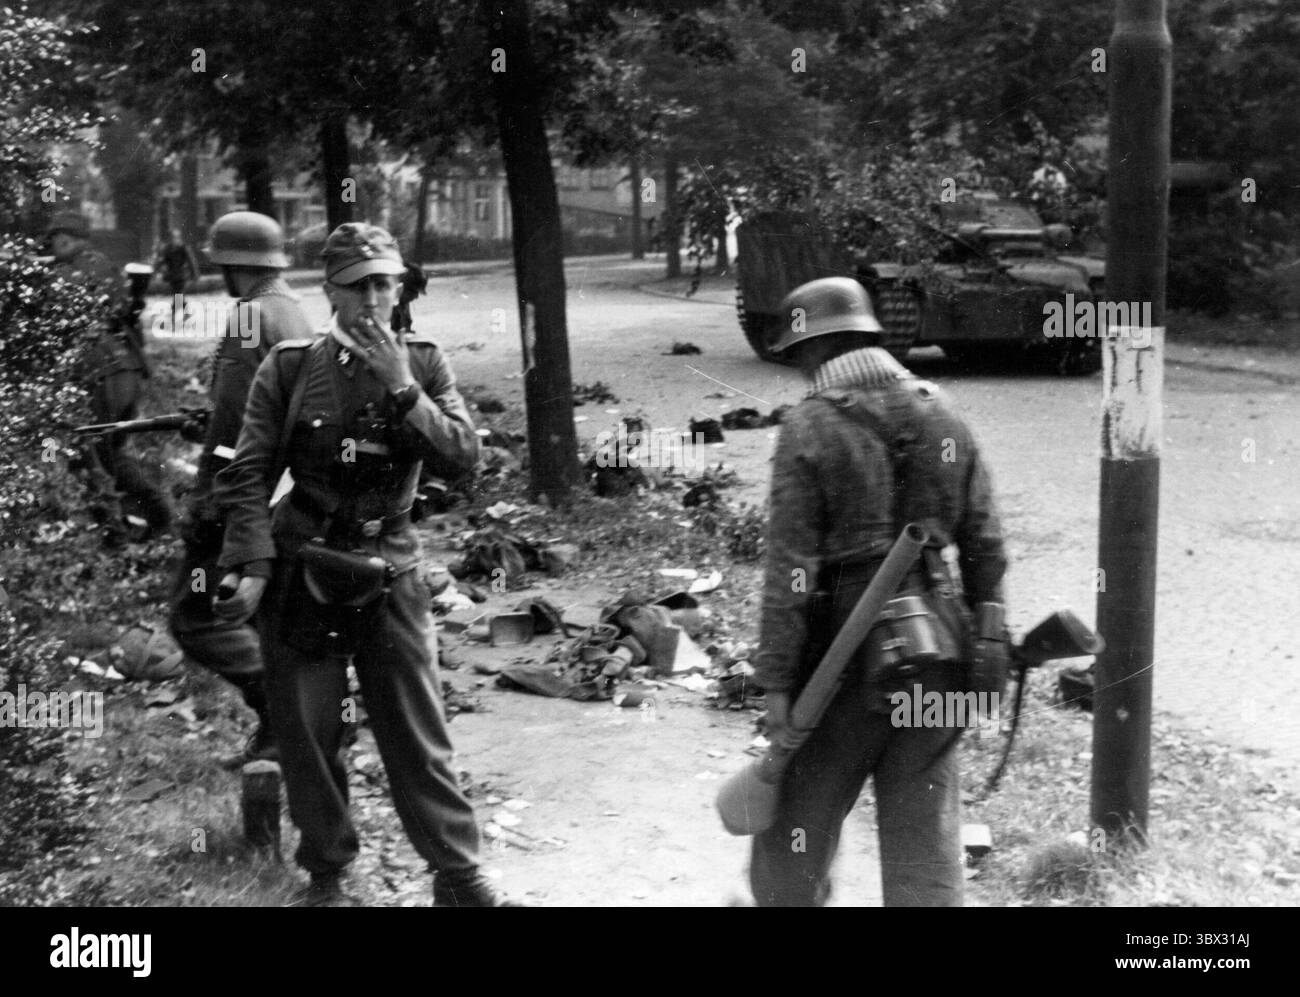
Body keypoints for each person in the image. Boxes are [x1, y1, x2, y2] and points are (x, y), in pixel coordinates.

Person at [212, 222, 517, 907]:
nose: (377, 298)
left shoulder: (426, 361)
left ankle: (457, 873)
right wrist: (253, 563)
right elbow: (249, 471)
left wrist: (404, 389)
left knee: (417, 727)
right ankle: (327, 874)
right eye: (361, 285)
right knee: (310, 731)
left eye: (387, 283)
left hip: (393, 564)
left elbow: (465, 462)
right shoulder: (289, 366)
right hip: (305, 565)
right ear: (332, 292)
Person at [749, 276, 1008, 907]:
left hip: (840, 669)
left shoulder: (809, 426)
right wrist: (991, 637)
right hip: (938, 658)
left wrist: (779, 685)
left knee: (794, 841)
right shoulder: (943, 409)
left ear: (814, 349)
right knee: (926, 853)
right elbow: (985, 544)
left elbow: (792, 573)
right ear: (868, 334)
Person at [169, 211, 314, 765]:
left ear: (233, 265)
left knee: (195, 617)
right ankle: (294, 730)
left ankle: (284, 716)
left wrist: (210, 501)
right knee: (257, 616)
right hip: (282, 488)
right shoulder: (292, 310)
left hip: (243, 495)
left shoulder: (246, 319)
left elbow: (233, 424)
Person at [49, 211, 172, 540]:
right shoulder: (106, 265)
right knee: (114, 450)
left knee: (85, 453)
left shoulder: (63, 274)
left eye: (55, 240)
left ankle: (113, 534)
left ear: (65, 238)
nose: (52, 246)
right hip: (127, 368)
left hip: (97, 372)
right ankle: (159, 514)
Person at [153, 228, 200, 298]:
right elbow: (161, 261)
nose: (174, 240)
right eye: (173, 238)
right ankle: (179, 305)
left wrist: (195, 274)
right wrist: (154, 272)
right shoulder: (167, 249)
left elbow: (191, 262)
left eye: (176, 238)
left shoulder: (183, 248)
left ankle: (178, 306)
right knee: (177, 293)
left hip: (181, 275)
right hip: (172, 276)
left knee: (179, 293)